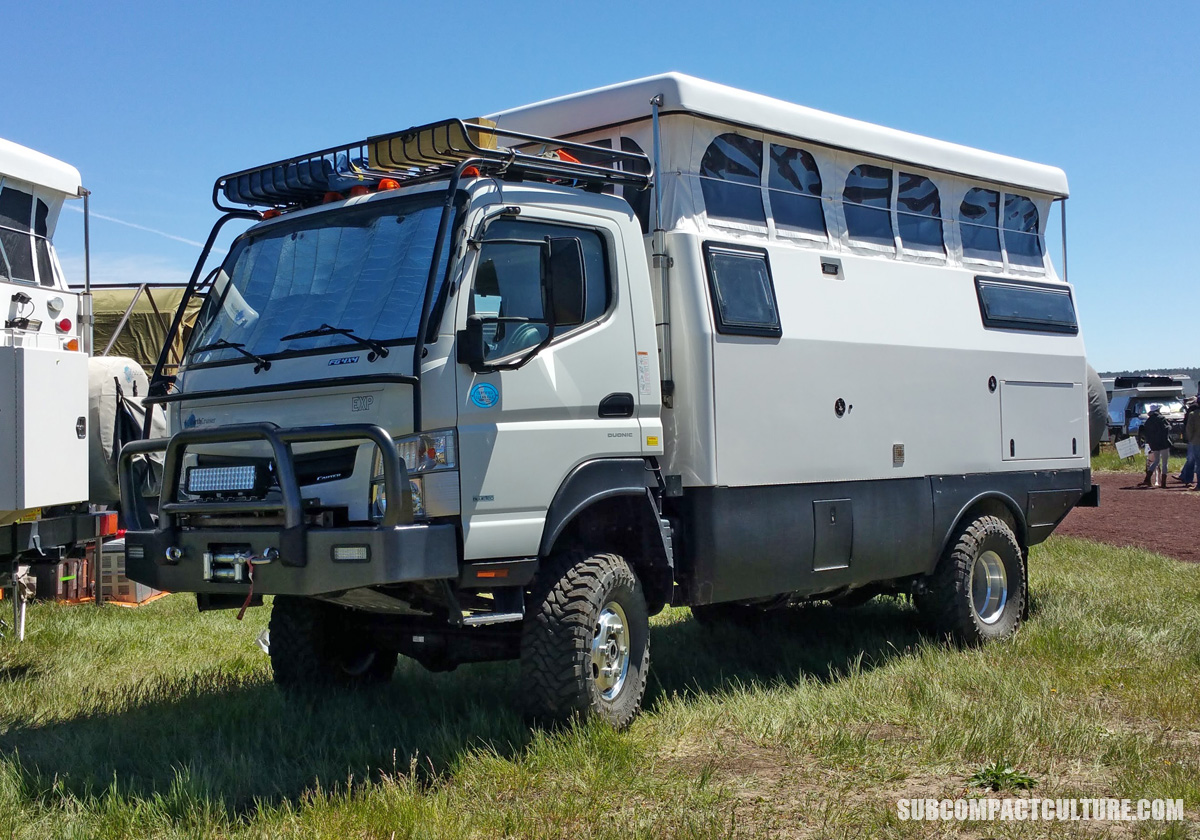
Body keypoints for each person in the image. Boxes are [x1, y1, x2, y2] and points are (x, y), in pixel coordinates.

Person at [1137, 405, 1172, 488]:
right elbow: (1167, 429)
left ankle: (1147, 478)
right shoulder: (1162, 418)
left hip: (1154, 444)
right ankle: (1163, 483)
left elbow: (1146, 433)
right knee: (1164, 463)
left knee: (1156, 461)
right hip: (1163, 443)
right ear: (1158, 410)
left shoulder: (1148, 421)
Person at [1179, 397, 1200, 489]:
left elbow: (1189, 429)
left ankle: (1199, 484)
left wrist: (1191, 439)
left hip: (1196, 441)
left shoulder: (1193, 414)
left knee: (1198, 463)